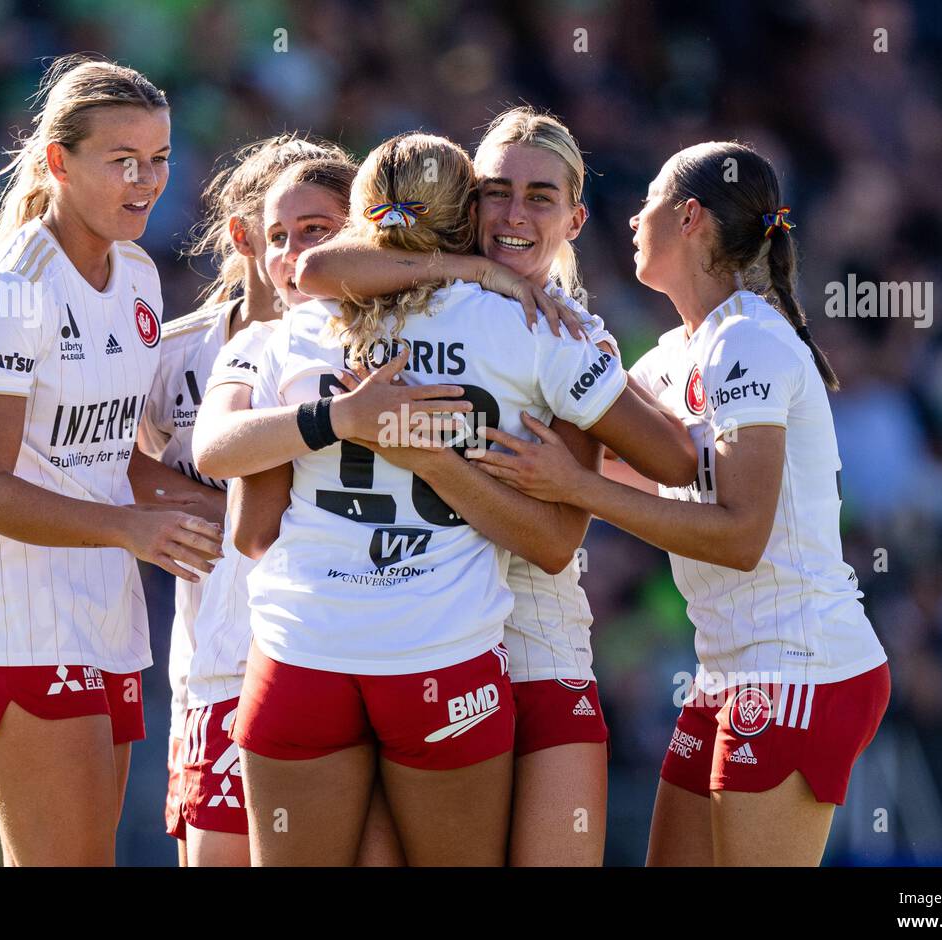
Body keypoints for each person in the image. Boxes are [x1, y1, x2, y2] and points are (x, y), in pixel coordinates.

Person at [195, 132, 691, 866]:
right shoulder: (541, 329)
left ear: (362, 219)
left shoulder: (297, 326)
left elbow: (253, 529)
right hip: (441, 654)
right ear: (465, 220)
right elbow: (673, 460)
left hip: (300, 650)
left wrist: (341, 430)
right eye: (497, 194)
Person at [469, 142, 890, 866]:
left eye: (649, 202)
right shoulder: (672, 354)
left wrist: (573, 489)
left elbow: (740, 535)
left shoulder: (750, 341)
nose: (632, 218)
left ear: (689, 216)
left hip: (799, 666)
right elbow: (614, 465)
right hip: (727, 666)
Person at [0, 55, 221, 866]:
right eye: (121, 160)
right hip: (17, 615)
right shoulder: (12, 290)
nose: (147, 180)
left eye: (160, 159)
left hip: (108, 613)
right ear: (58, 161)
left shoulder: (135, 272)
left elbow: (109, 451)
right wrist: (134, 530)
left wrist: (224, 519)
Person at [133, 134, 348, 866]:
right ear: (244, 234)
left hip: (340, 661)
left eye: (326, 232)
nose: (304, 254)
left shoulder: (365, 345)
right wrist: (197, 508)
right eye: (283, 232)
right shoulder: (175, 353)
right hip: (218, 667)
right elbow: (114, 462)